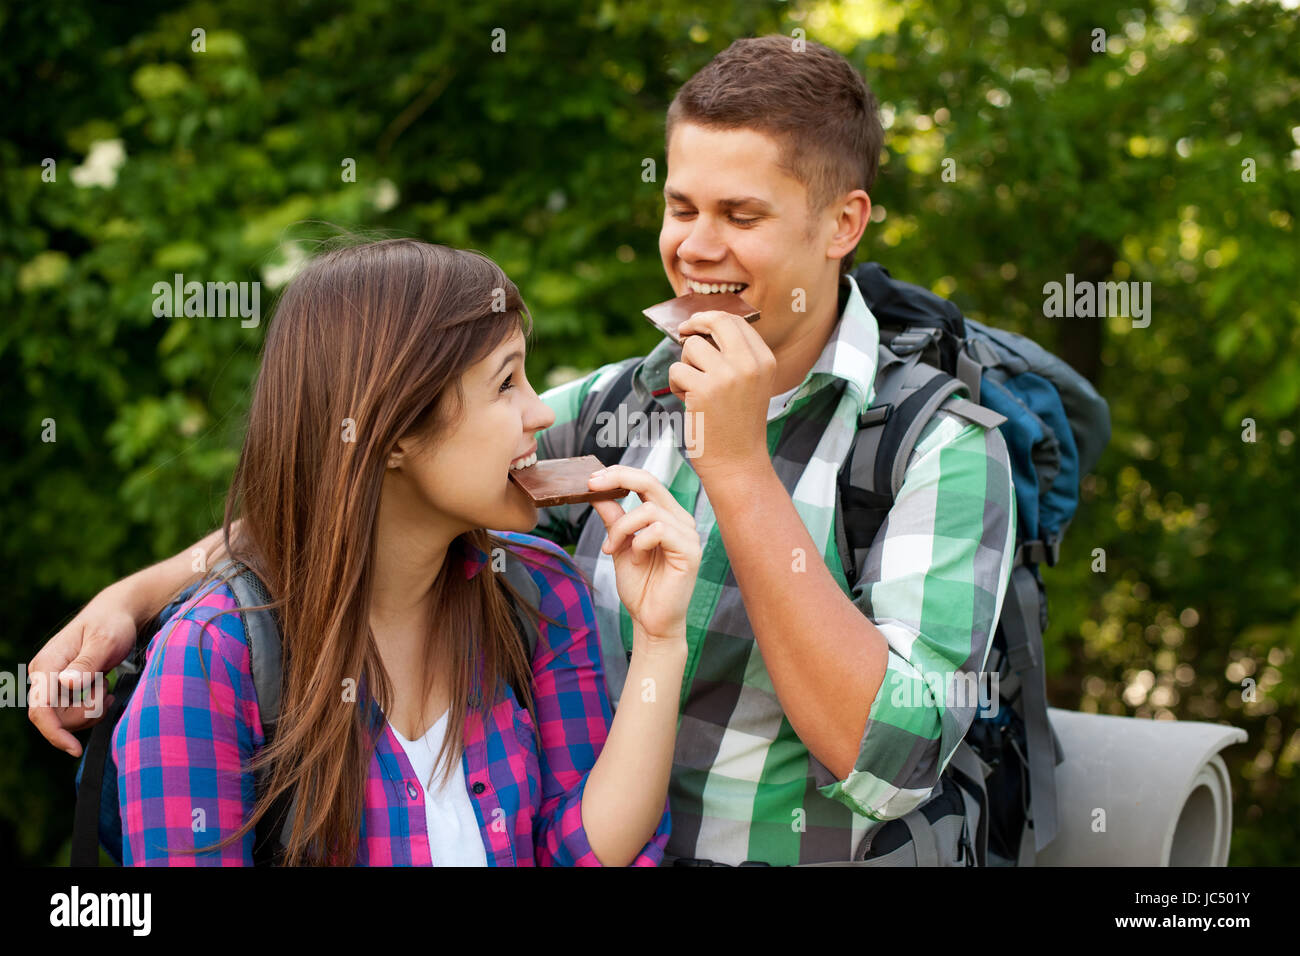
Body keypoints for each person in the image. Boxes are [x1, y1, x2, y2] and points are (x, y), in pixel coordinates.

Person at [33, 36, 1014, 866]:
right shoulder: (617, 401)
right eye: (681, 207)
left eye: (740, 215)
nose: (694, 248)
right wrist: (140, 594)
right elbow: (364, 481)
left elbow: (888, 763)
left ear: (841, 222)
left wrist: (740, 467)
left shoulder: (938, 445)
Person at [57, 238, 701, 865]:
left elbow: (582, 852)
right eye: (507, 383)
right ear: (392, 433)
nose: (539, 413)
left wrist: (660, 641)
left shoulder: (539, 592)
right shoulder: (212, 657)